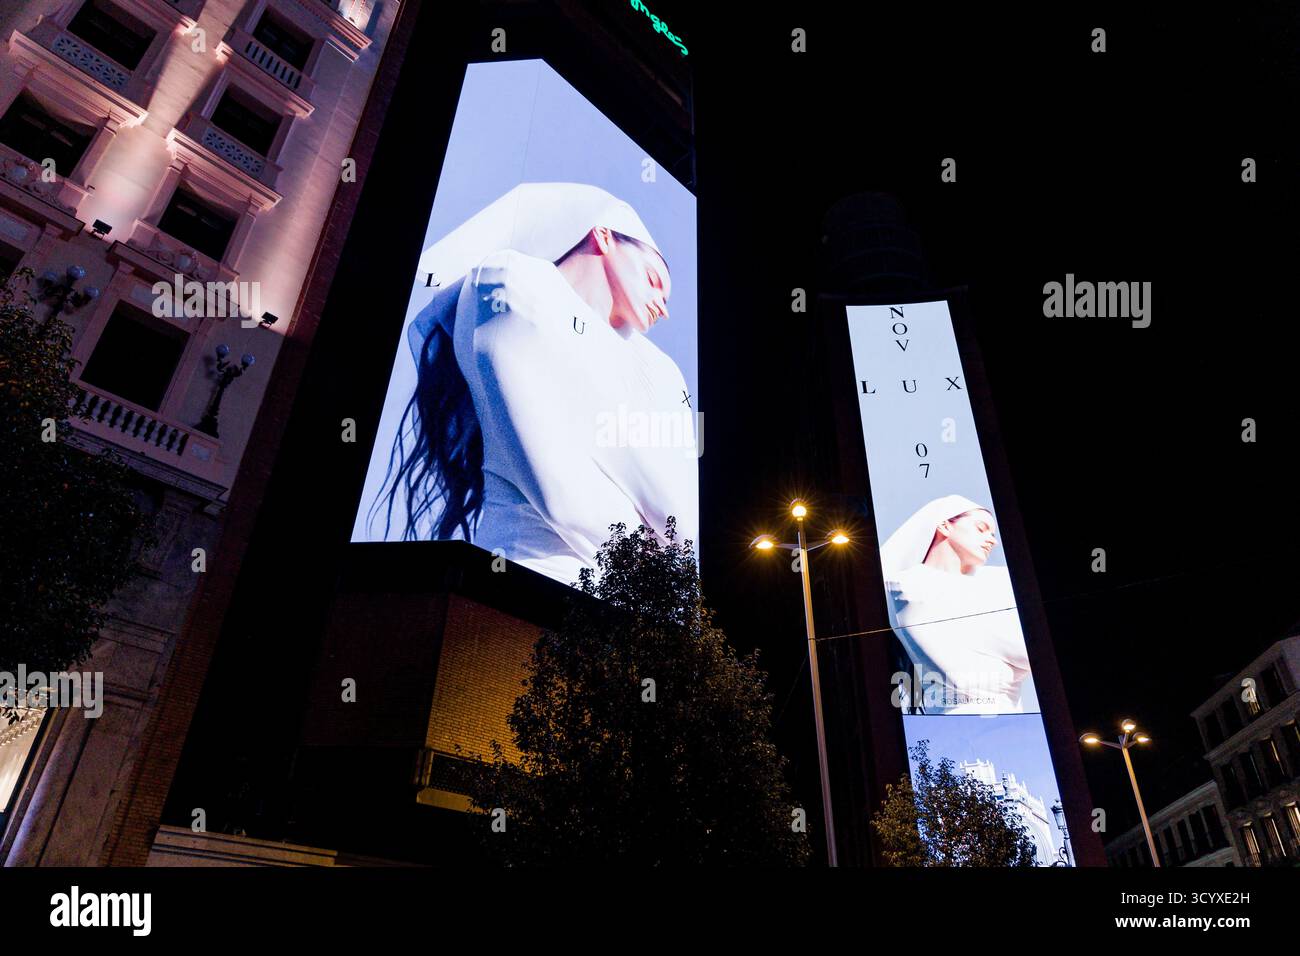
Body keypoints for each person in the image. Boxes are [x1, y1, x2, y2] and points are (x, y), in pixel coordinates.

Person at [374, 183, 698, 583]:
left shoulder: (657, 367)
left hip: (628, 611)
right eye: (653, 279)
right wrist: (652, 548)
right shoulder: (513, 284)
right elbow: (564, 500)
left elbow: (682, 525)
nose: (662, 308)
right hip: (530, 585)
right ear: (603, 236)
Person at [880, 494, 1033, 714]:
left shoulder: (996, 580)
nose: (992, 540)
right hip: (959, 722)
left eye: (993, 534)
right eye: (981, 528)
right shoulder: (906, 587)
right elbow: (1026, 649)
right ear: (944, 526)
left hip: (1013, 721)